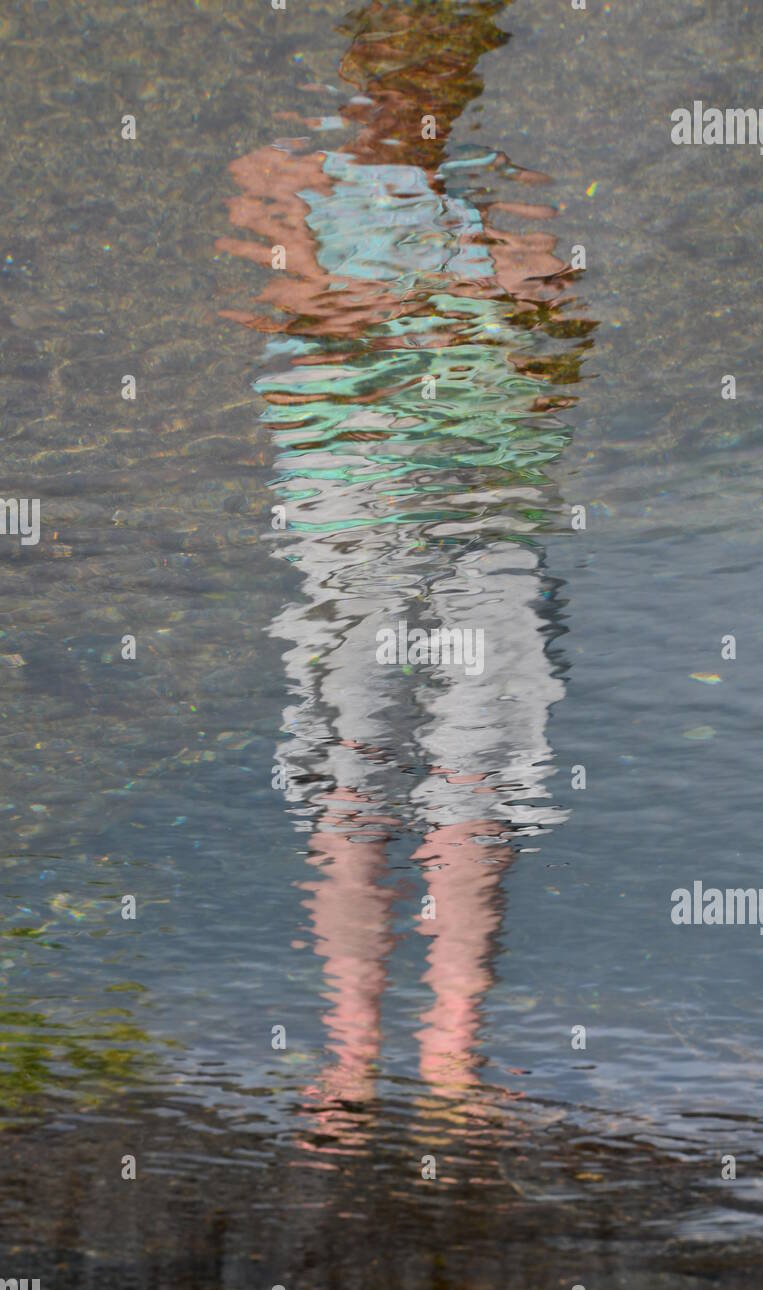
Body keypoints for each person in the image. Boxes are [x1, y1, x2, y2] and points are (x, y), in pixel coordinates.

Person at [216, 0, 596, 1116]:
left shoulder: (504, 183)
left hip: (487, 501)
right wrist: (460, 298)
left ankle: (449, 1051)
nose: (421, 100)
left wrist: (478, 298)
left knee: (481, 768)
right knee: (354, 772)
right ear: (361, 61)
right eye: (403, 70)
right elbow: (291, 306)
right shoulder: (286, 170)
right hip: (352, 503)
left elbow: (558, 347)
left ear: (473, 76)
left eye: (444, 75)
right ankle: (347, 1054)